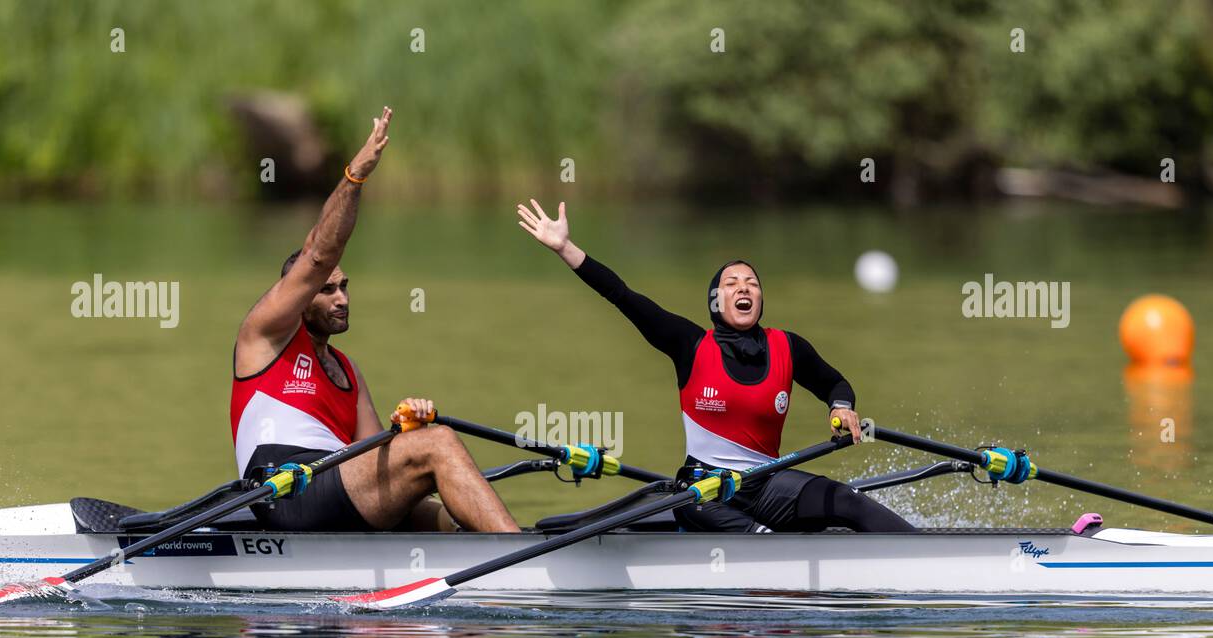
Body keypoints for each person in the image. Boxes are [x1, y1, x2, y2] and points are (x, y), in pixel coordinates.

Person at [516, 199, 915, 534]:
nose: (744, 287)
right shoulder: (689, 344)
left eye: (752, 283)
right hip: (704, 489)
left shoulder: (787, 346)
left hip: (768, 482)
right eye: (732, 283)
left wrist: (840, 407)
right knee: (715, 519)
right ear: (716, 302)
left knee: (844, 498)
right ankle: (760, 548)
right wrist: (566, 249)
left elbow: (834, 382)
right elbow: (623, 295)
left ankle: (922, 554)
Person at [231, 107, 518, 533]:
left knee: (443, 509)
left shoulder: (348, 371)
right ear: (301, 295)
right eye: (327, 290)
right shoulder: (264, 337)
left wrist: (407, 432)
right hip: (283, 490)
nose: (342, 298)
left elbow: (373, 455)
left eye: (345, 286)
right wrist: (356, 175)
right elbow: (319, 254)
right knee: (439, 447)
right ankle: (517, 563)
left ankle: (500, 552)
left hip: (335, 489)